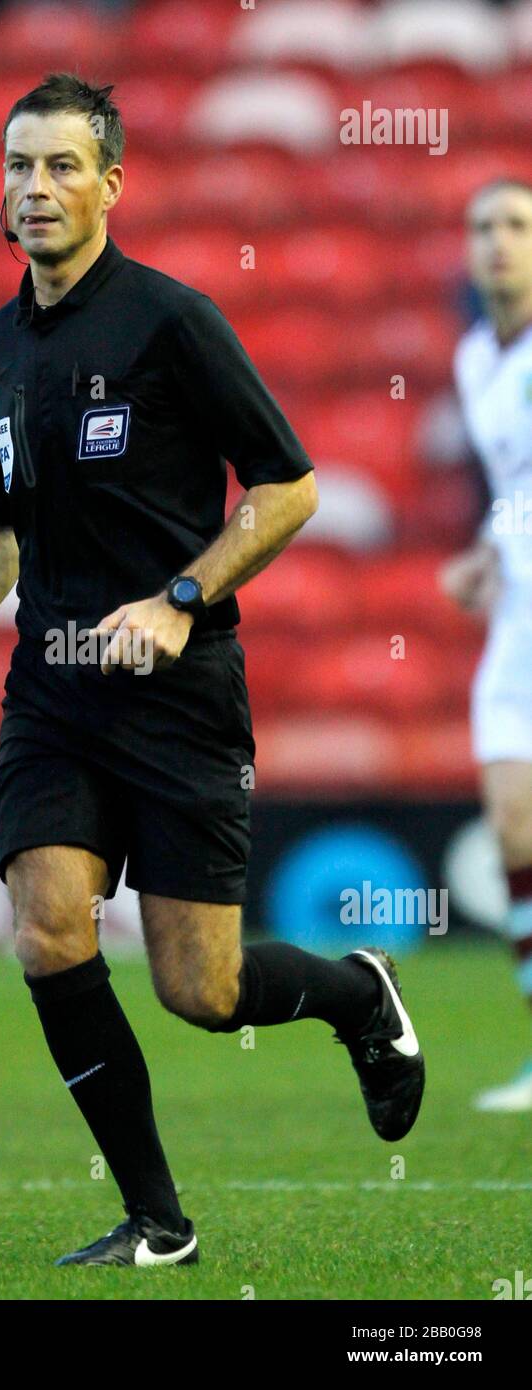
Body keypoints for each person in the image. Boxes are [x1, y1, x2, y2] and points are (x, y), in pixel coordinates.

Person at [0, 72, 424, 1268]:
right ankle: (159, 1222)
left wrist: (181, 599)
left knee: (197, 989)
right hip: (50, 688)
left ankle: (358, 995)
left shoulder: (170, 322)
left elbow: (289, 487)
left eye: (58, 166)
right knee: (48, 932)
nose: (33, 188)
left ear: (111, 182)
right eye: (16, 168)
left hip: (178, 694)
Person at [442, 178, 532, 1113]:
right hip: (517, 624)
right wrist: (484, 555)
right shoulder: (477, 358)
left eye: (516, 226)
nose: (498, 242)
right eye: (483, 228)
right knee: (514, 827)